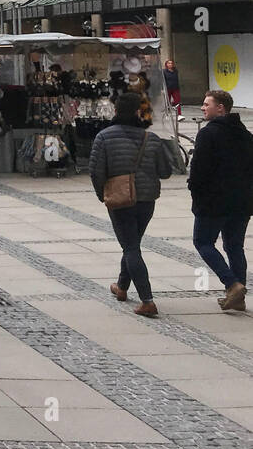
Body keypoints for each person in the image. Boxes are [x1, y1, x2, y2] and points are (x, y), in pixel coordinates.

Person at [89, 91, 174, 318]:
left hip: (121, 199)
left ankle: (147, 300)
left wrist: (103, 195)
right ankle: (122, 287)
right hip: (146, 200)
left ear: (116, 110)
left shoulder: (104, 137)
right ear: (139, 111)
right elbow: (165, 171)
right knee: (132, 242)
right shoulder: (152, 138)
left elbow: (96, 172)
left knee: (130, 246)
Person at [187, 89, 253, 311]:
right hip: (242, 201)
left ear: (220, 108)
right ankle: (238, 297)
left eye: (207, 104)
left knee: (203, 242)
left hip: (213, 202)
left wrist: (195, 193)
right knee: (235, 246)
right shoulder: (245, 134)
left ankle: (232, 285)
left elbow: (198, 170)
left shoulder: (208, 134)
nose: (203, 108)